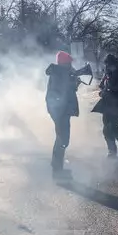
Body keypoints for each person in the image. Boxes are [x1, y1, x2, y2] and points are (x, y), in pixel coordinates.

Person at [45, 51, 81, 180]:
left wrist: (75, 82)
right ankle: (57, 170)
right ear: (65, 63)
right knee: (62, 139)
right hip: (60, 110)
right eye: (69, 63)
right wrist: (73, 82)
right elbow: (63, 90)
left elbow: (68, 90)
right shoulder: (59, 74)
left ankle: (57, 166)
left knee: (62, 138)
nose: (71, 65)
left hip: (60, 110)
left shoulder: (60, 73)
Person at [92, 54, 118, 159]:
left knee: (113, 127)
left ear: (114, 64)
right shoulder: (108, 73)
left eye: (108, 65)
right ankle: (112, 150)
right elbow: (102, 85)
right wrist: (103, 88)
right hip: (108, 104)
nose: (107, 67)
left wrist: (107, 91)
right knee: (106, 128)